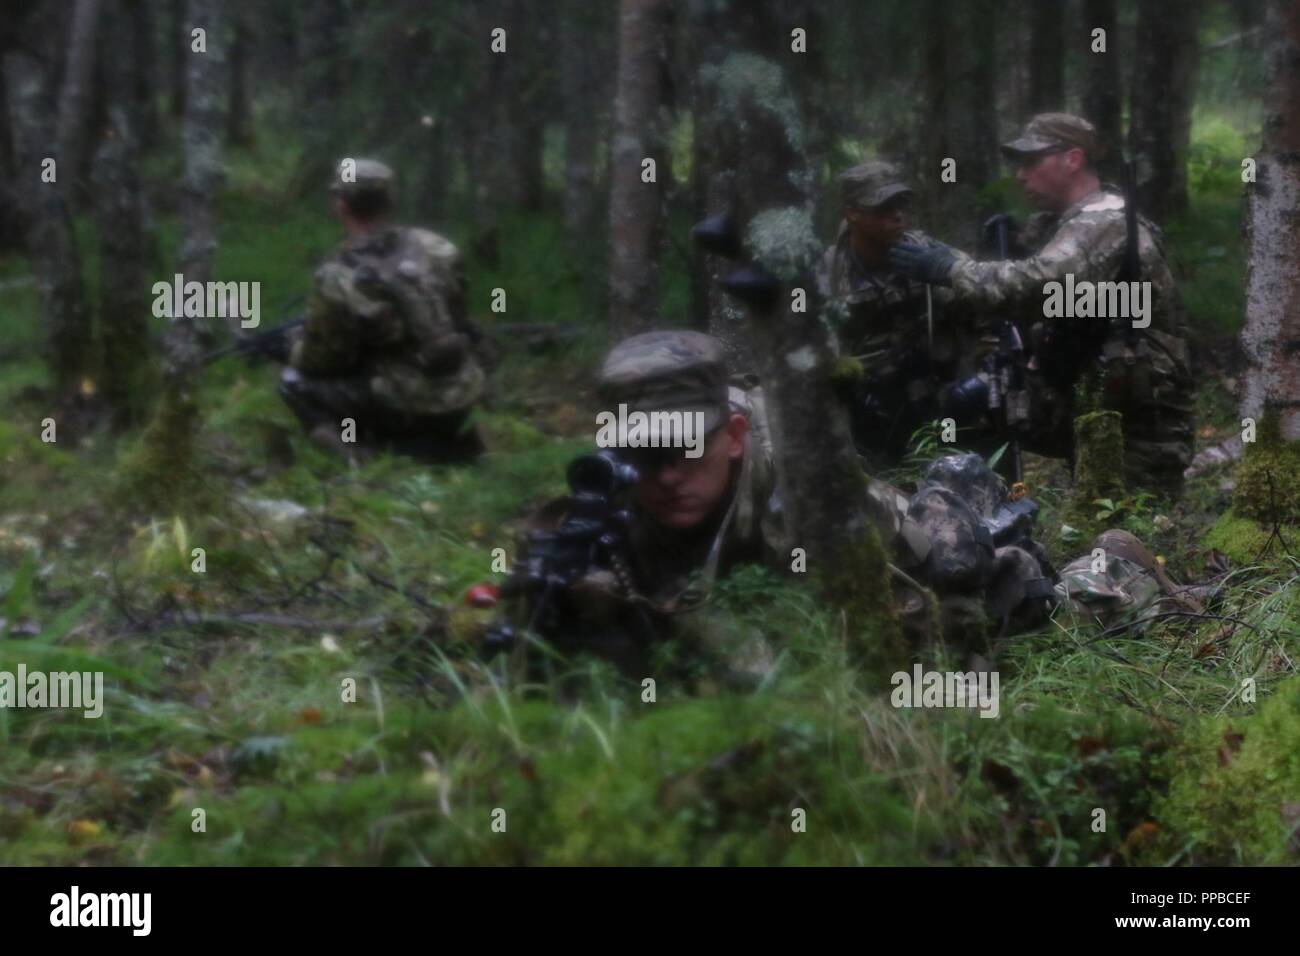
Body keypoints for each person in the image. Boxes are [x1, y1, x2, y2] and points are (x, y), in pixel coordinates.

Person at [494, 330, 1192, 685]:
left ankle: (1107, 564)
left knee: (979, 574)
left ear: (734, 437)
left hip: (905, 556)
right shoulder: (602, 505)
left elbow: (919, 637)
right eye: (643, 456)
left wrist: (974, 684)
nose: (666, 475)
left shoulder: (810, 496)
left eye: (683, 451)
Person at [889, 113, 1195, 495]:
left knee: (1130, 537)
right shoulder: (1068, 222)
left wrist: (949, 268)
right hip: (1103, 409)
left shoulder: (1104, 219)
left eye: (1032, 162)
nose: (1020, 175)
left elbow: (1038, 285)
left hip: (1140, 426)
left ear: (1073, 159)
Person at [278, 158, 487, 462]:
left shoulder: (337, 275)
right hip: (464, 392)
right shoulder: (438, 247)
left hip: (405, 405)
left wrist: (293, 345)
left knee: (294, 383)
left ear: (341, 206)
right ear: (389, 201)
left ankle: (355, 455)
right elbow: (458, 318)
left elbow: (321, 362)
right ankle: (453, 441)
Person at [817, 161, 984, 471]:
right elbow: (813, 355)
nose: (897, 215)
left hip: (944, 406)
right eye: (882, 207)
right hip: (874, 418)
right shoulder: (828, 274)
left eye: (900, 204)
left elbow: (985, 293)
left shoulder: (927, 253)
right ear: (852, 212)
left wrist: (943, 273)